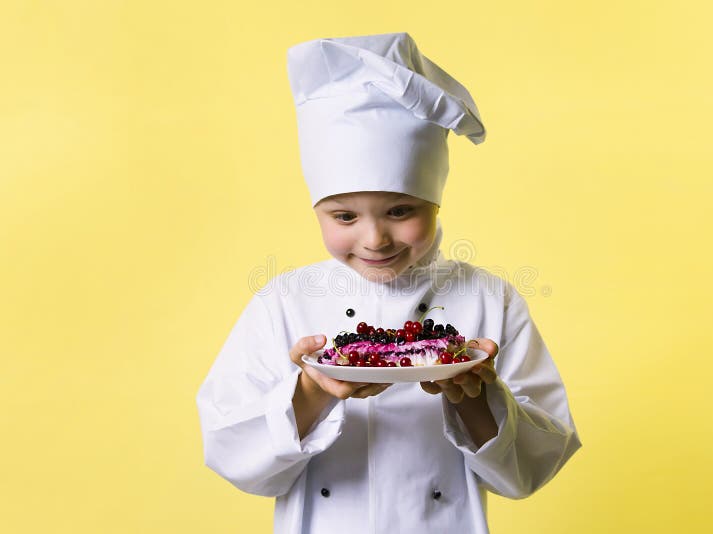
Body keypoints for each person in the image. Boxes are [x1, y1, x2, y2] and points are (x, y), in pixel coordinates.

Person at [196, 32, 581, 534]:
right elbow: (232, 453)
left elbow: (533, 467)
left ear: (436, 203)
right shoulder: (284, 301)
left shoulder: (491, 298)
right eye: (345, 216)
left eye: (401, 211)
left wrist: (476, 399)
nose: (375, 238)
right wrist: (312, 391)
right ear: (317, 212)